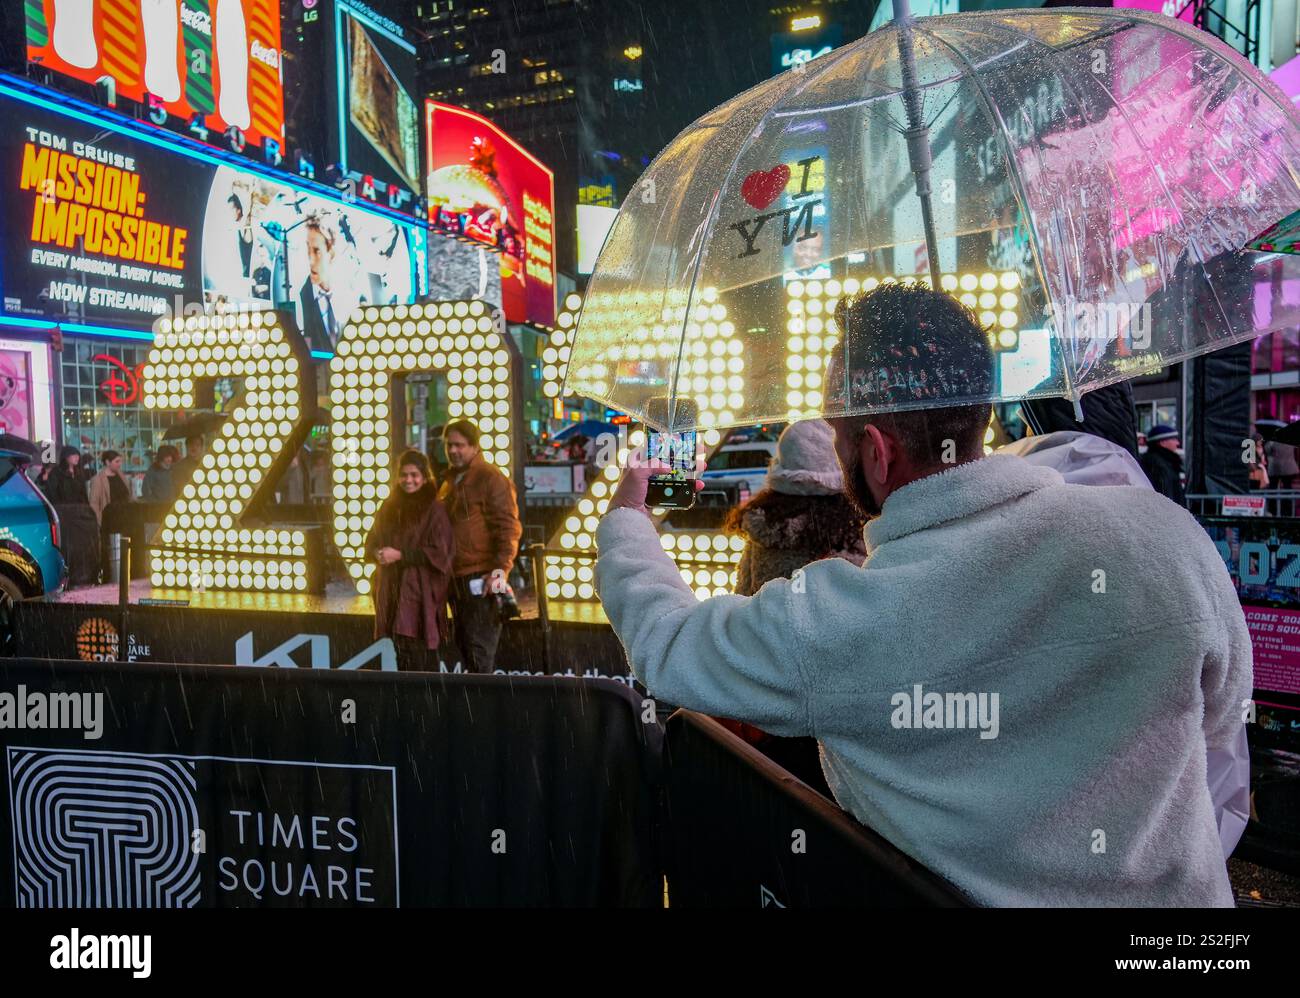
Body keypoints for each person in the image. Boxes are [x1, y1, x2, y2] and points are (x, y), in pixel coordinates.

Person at [595, 282, 1251, 907]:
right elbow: (1221, 731)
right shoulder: (1165, 538)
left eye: (838, 430)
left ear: (875, 453)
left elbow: (667, 641)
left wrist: (627, 520)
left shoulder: (845, 620)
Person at [719, 418, 866, 797]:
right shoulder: (859, 533)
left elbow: (742, 604)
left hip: (775, 705)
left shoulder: (762, 532)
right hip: (842, 712)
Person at [437, 419, 523, 673]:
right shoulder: (451, 479)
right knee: (468, 648)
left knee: (477, 652)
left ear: (474, 446)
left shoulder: (490, 478)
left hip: (480, 577)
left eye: (459, 445)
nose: (453, 451)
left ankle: (481, 706)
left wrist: (499, 570)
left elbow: (507, 528)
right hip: (457, 577)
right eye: (449, 445)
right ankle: (478, 705)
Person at [364, 450, 455, 671]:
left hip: (421, 595)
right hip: (394, 590)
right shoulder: (389, 506)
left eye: (414, 475)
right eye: (404, 475)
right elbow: (372, 540)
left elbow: (442, 554)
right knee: (402, 652)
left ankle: (425, 701)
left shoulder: (435, 510)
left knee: (421, 655)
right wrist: (377, 552)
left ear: (425, 477)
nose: (409, 480)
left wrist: (400, 555)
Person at [299, 214, 340, 354]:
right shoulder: (303, 296)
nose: (310, 260)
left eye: (317, 251)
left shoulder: (350, 292)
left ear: (331, 253)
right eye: (308, 249)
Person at [1140, 423, 1186, 504]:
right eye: (1174, 439)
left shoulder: (1166, 462)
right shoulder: (1158, 465)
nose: (1177, 443)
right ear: (1162, 442)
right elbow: (1165, 494)